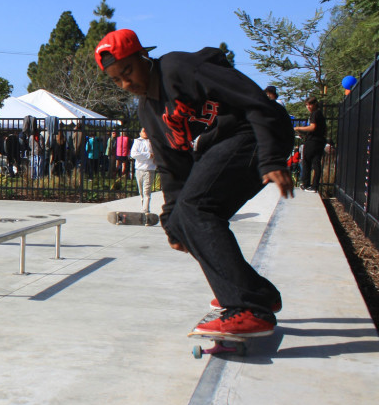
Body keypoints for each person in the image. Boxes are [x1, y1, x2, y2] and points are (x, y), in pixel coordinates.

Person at [95, 28, 293, 338]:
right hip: (226, 145)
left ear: (143, 56)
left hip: (257, 132)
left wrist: (270, 158)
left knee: (196, 208)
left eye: (128, 70)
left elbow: (253, 100)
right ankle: (256, 294)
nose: (127, 83)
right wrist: (172, 225)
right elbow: (172, 169)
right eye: (117, 80)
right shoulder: (148, 110)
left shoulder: (178, 69)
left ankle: (250, 307)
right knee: (188, 217)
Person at [294, 96, 327, 193]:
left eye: (309, 105)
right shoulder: (320, 114)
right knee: (316, 162)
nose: (308, 107)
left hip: (312, 142)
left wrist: (298, 128)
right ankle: (315, 186)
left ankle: (306, 184)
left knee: (307, 161)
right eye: (306, 105)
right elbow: (322, 129)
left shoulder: (314, 114)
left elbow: (312, 127)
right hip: (319, 141)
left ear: (314, 104)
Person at [129, 128, 157, 214]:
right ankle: (143, 208)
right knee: (141, 192)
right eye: (143, 131)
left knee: (147, 191)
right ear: (140, 133)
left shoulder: (152, 142)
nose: (145, 133)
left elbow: (157, 153)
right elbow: (134, 154)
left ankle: (146, 209)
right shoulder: (137, 141)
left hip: (149, 169)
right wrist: (149, 155)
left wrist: (150, 156)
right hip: (139, 169)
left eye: (146, 131)